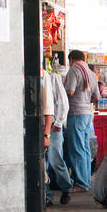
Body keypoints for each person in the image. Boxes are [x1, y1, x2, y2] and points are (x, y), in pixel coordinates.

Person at [63, 49, 100, 191]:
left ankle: (82, 183)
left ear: (71, 59)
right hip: (87, 114)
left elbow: (70, 91)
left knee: (77, 149)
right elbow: (96, 97)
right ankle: (86, 180)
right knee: (84, 149)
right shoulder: (91, 73)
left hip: (76, 113)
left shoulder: (74, 70)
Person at [41, 64, 71, 204]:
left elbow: (63, 102)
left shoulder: (52, 77)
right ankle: (46, 195)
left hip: (53, 127)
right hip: (38, 128)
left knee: (55, 160)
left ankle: (66, 188)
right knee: (42, 163)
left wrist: (58, 123)